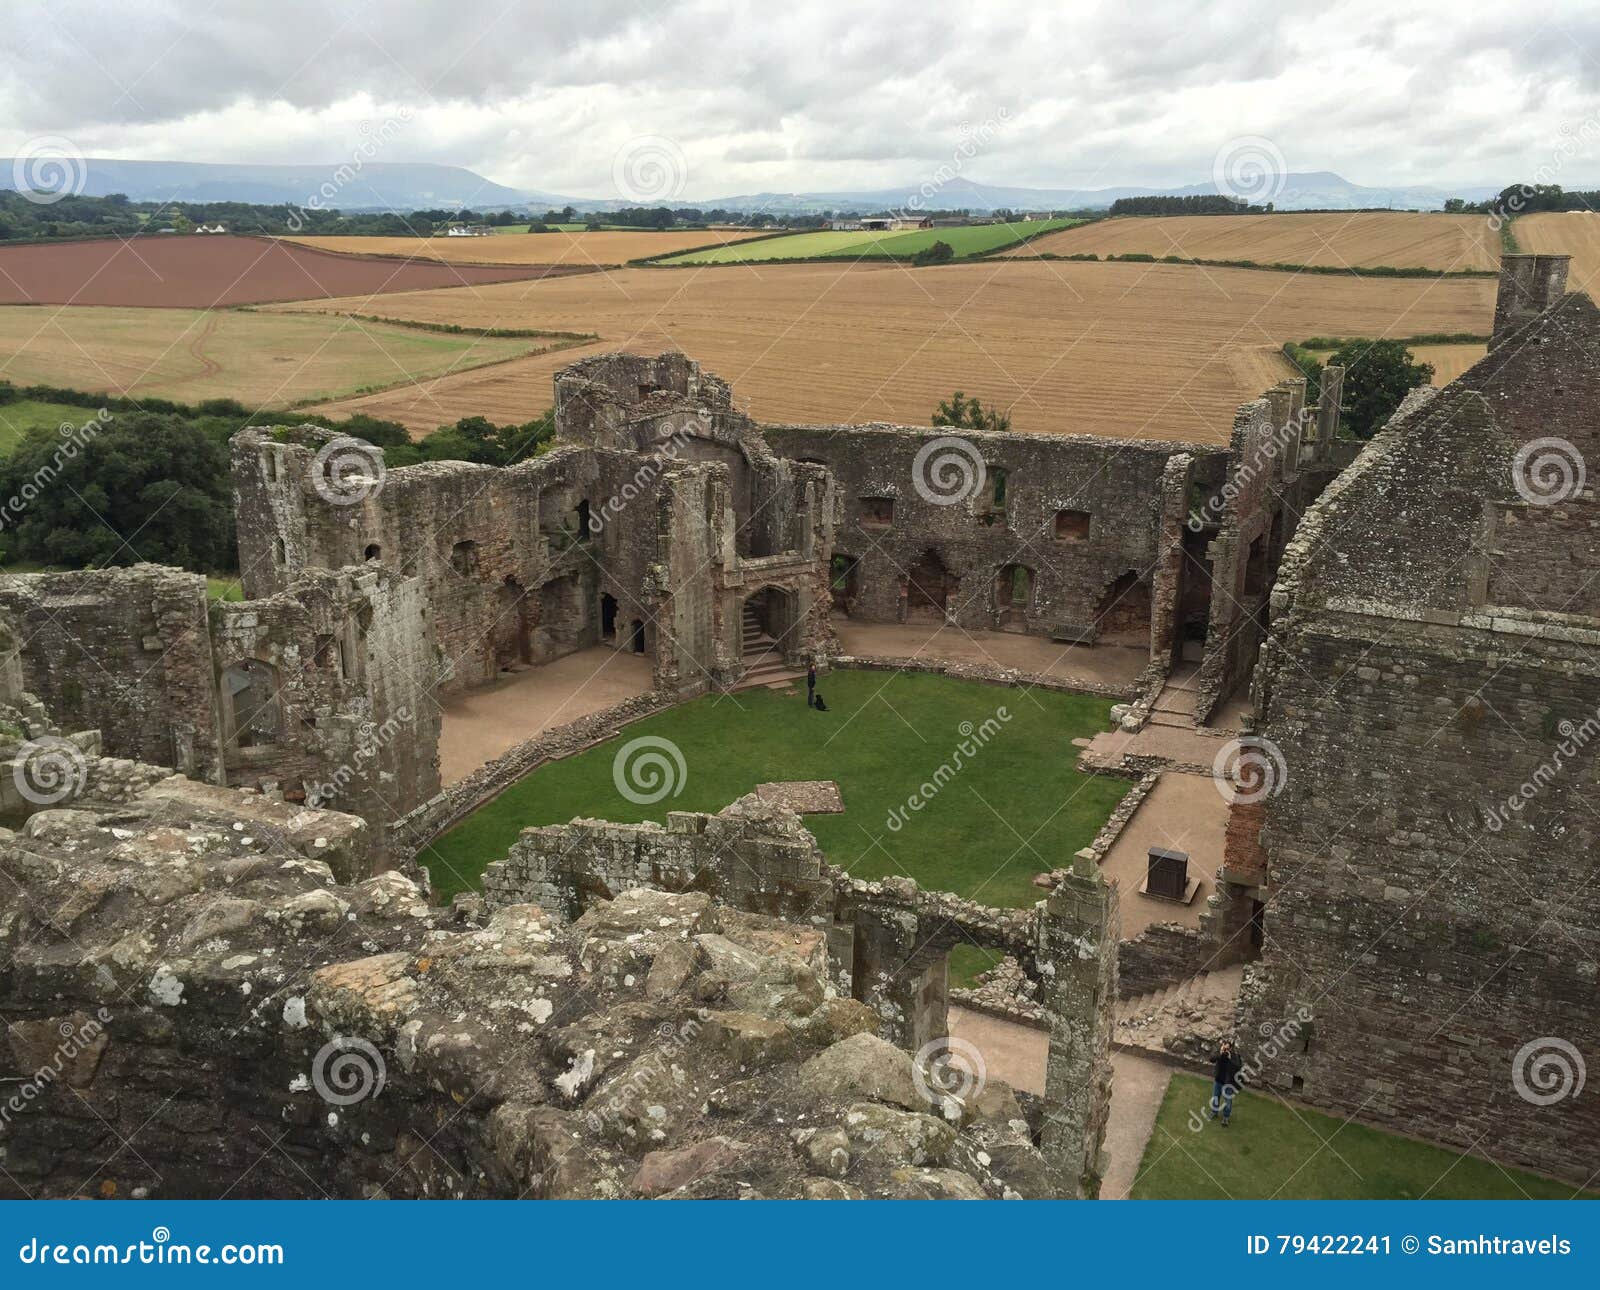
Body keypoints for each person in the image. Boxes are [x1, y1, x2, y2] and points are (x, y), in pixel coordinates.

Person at [1206, 1039, 1243, 1126]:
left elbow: (1238, 1067)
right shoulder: (1219, 1052)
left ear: (1230, 1049)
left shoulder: (1235, 1056)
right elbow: (1211, 1059)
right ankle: (1214, 1112)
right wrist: (1220, 1053)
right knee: (1215, 1097)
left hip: (1229, 1083)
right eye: (1224, 1047)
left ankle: (1226, 1117)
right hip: (1218, 1080)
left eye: (1227, 1049)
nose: (1226, 1050)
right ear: (1222, 1045)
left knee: (1228, 1102)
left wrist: (1230, 1058)